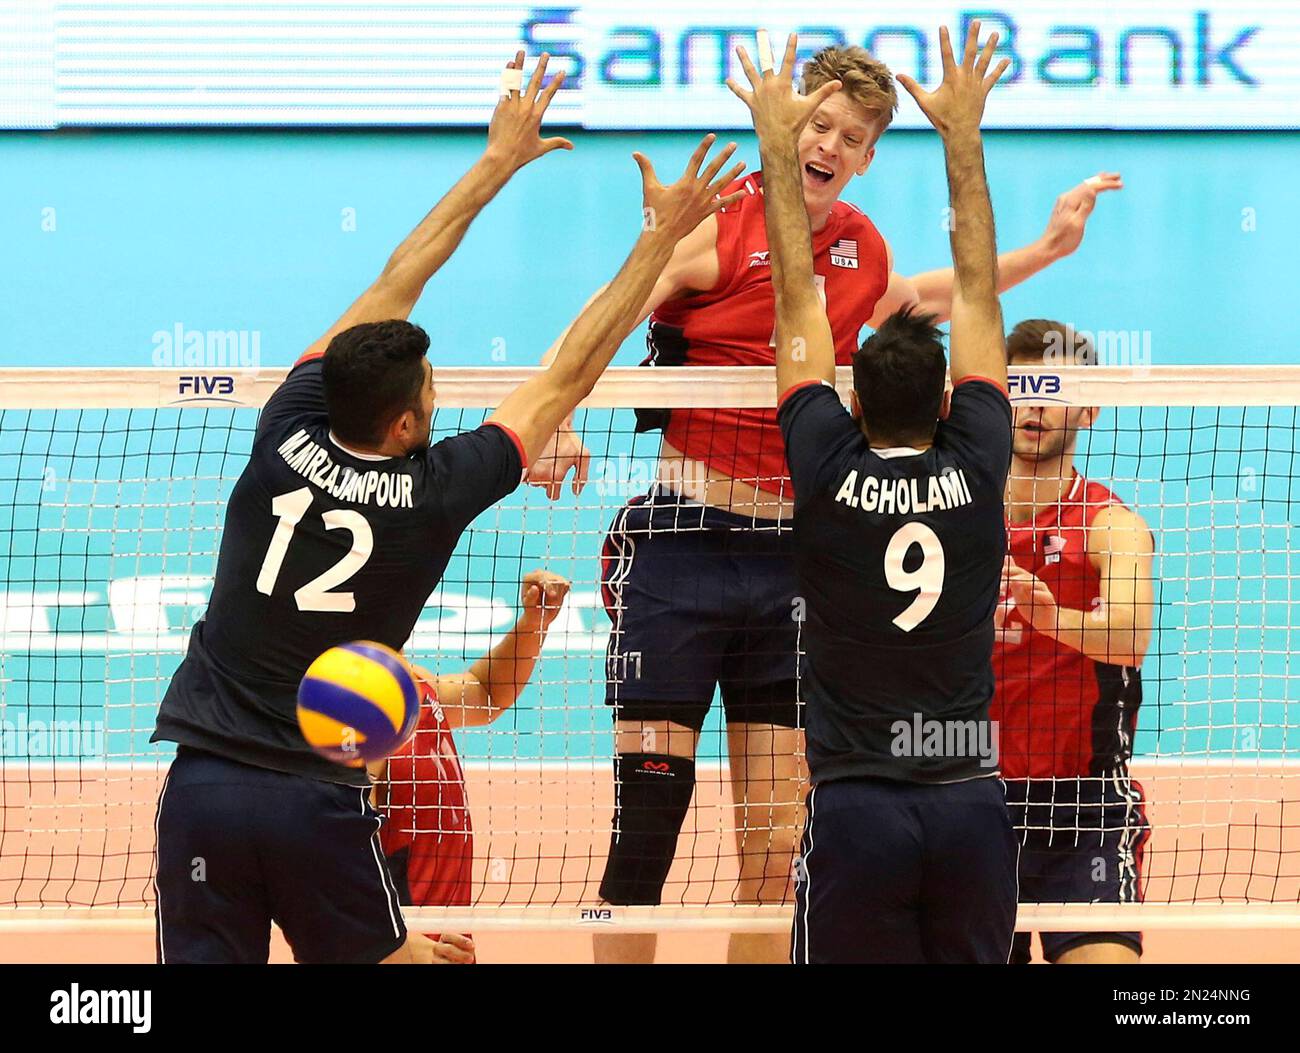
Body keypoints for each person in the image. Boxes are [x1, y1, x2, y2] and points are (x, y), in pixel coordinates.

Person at [150, 49, 746, 964]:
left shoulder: (289, 421)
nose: (441, 394)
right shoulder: (437, 492)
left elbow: (400, 274)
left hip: (202, 785)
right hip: (320, 799)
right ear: (402, 424)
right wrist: (658, 242)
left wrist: (493, 161)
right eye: (431, 390)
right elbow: (571, 369)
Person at [529, 42, 1119, 964]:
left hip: (791, 557)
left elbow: (928, 296)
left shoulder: (861, 242)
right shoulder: (714, 226)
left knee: (772, 852)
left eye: (854, 136)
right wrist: (558, 412)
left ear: (869, 154)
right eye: (819, 125)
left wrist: (1042, 252)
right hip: (683, 541)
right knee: (646, 825)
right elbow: (616, 301)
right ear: (793, 126)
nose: (832, 144)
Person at [731, 23, 1016, 962]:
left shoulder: (823, 463)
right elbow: (976, 290)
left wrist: (777, 146)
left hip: (856, 804)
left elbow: (796, 300)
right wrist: (962, 136)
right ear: (949, 400)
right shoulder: (978, 466)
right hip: (968, 796)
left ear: (849, 400)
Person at [993, 319, 1155, 964]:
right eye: (1021, 388)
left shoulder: (1110, 524)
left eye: (1053, 390)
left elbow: (1130, 637)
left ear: (1087, 407)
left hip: (1084, 809)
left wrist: (1050, 614)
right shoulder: (949, 521)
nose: (1035, 405)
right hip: (969, 802)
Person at [370, 570, 571, 965]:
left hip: (444, 943)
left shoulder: (414, 686)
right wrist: (403, 946)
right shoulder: (356, 712)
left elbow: (486, 691)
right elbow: (334, 860)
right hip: (404, 949)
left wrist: (533, 623)